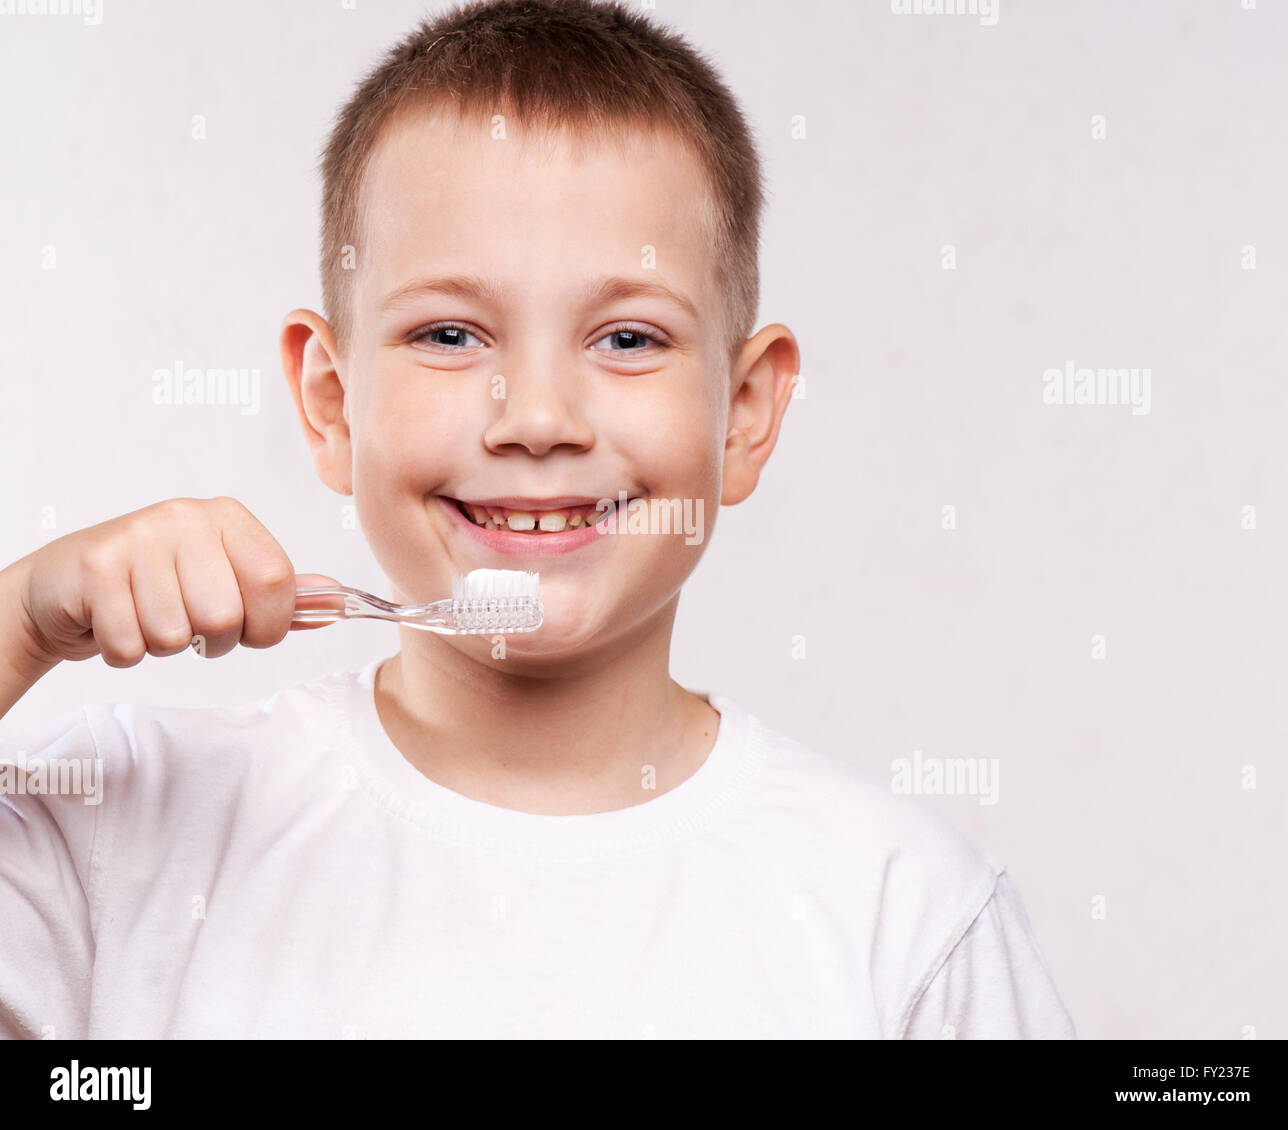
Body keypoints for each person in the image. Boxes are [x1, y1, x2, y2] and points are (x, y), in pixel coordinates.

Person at [0, 0, 1075, 1039]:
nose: (540, 418)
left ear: (744, 413)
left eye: (628, 339)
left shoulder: (904, 918)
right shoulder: (116, 832)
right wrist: (20, 624)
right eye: (452, 335)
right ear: (330, 401)